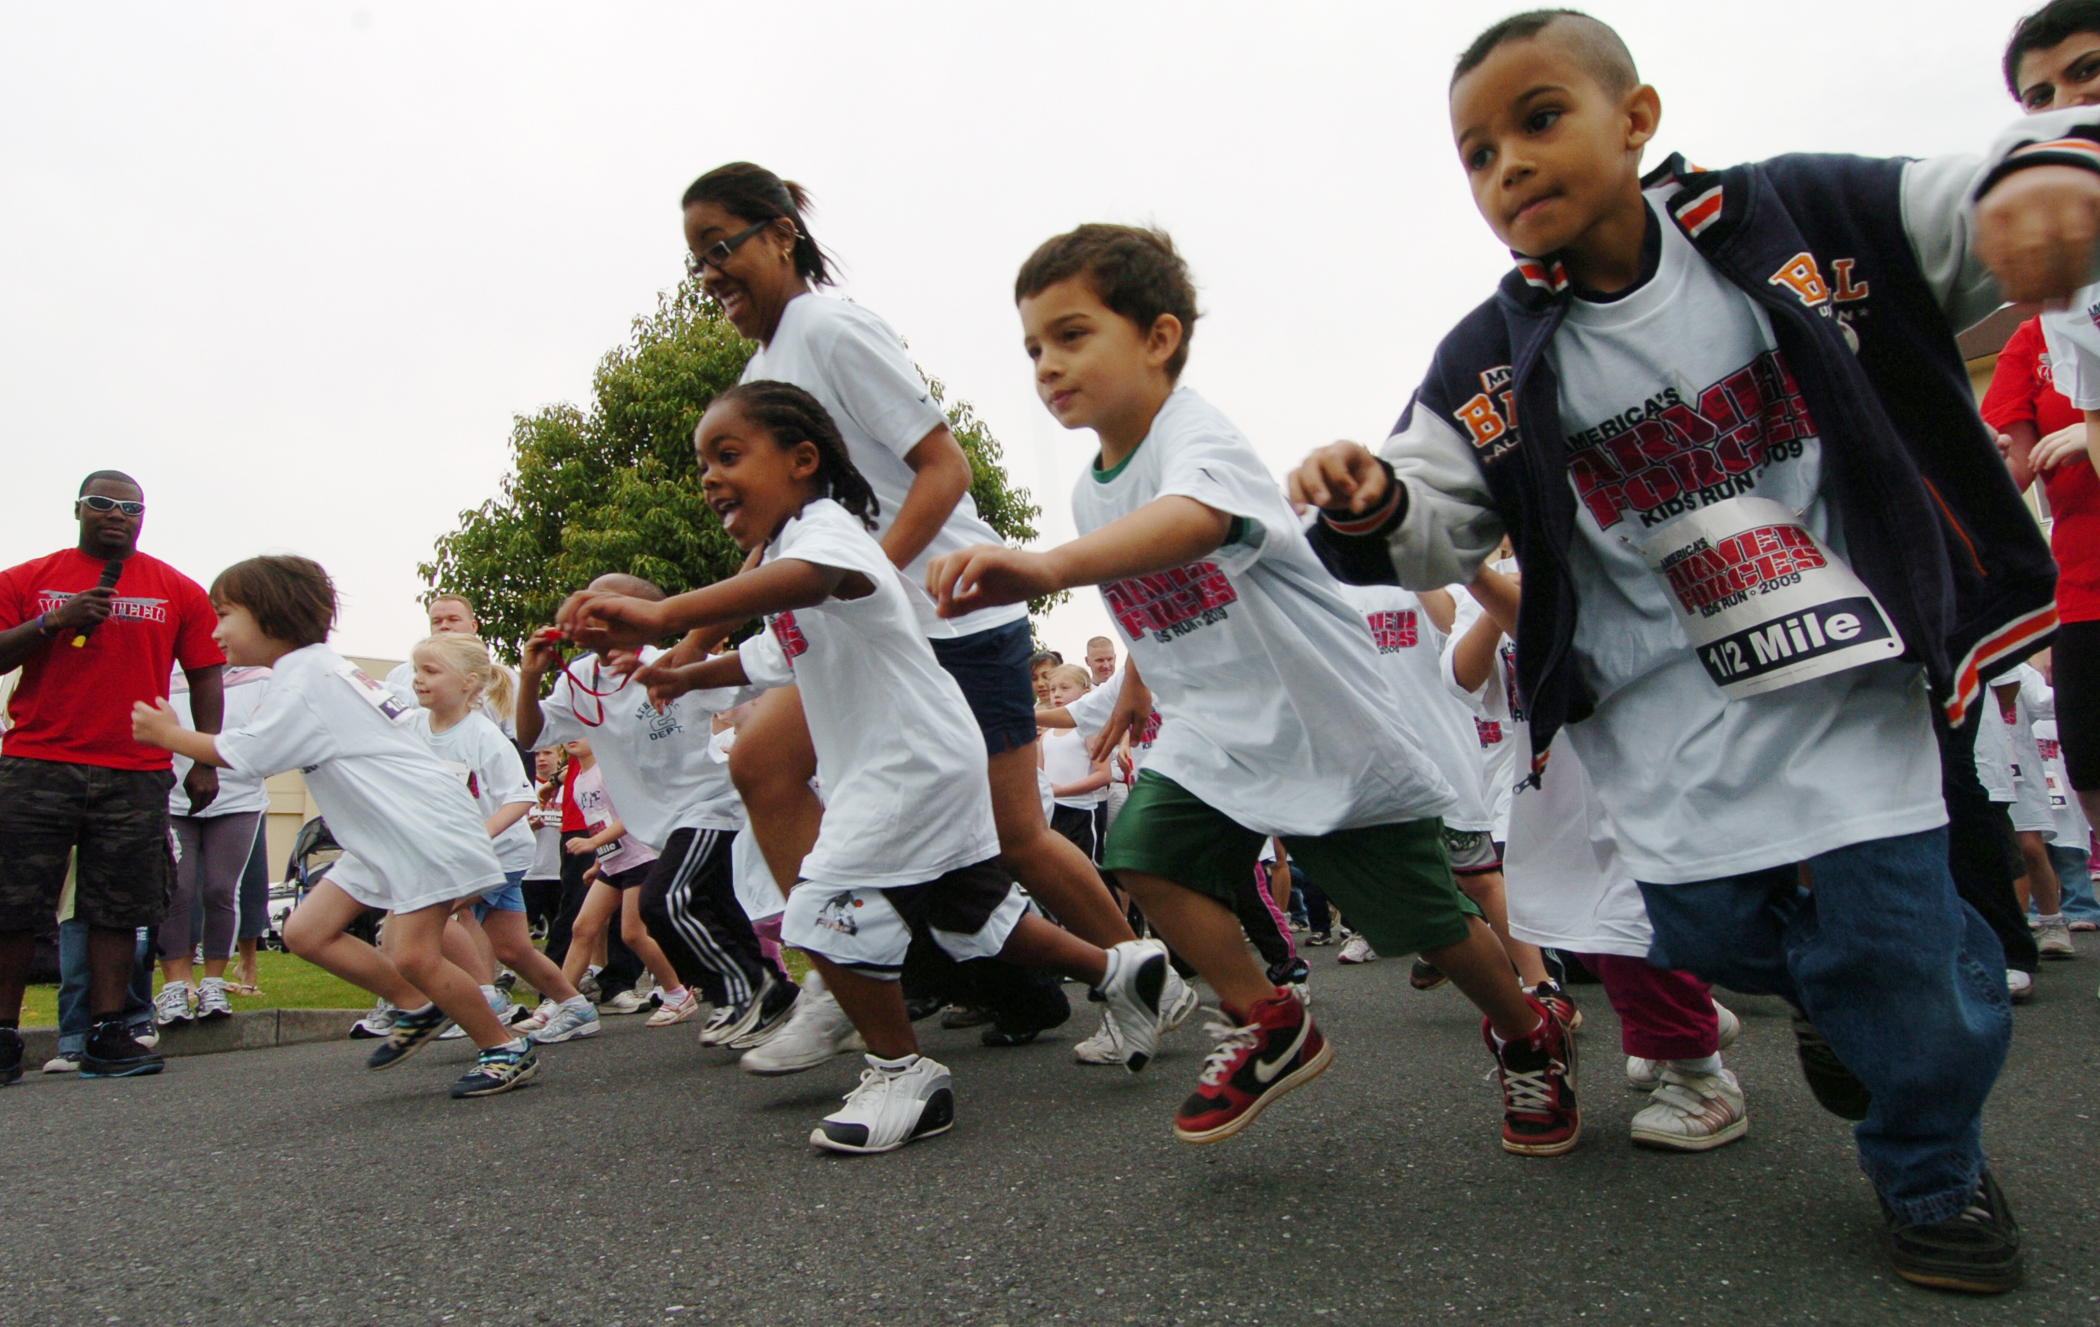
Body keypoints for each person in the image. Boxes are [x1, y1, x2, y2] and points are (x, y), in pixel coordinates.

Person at [1284, 9, 2099, 1291]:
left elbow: (1980, 194)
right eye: (1477, 153)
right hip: (1660, 718)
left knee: (1906, 968)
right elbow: (1429, 512)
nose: (1509, 166)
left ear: (1639, 117)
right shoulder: (1489, 355)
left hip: (1848, 681)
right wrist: (1369, 500)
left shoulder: (1800, 216)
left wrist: (2047, 177)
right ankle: (1856, 1000)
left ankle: (1930, 1167)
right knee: (1703, 932)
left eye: (1539, 120)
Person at [927, 224, 1574, 1152]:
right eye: (1033, 346)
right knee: (1144, 849)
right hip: (1218, 732)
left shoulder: (1198, 435)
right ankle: (1269, 1018)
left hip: (1326, 731)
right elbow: (1148, 589)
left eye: (1072, 335)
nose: (1047, 364)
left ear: (1157, 337)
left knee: (1429, 921)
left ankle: (1527, 1033)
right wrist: (1142, 680)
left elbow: (1195, 524)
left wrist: (1049, 567)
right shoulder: (1091, 491)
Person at [561, 380, 1172, 1153]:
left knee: (820, 907)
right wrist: (687, 675)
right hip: (912, 755)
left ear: (803, 459)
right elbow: (778, 647)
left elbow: (813, 583)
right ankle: (1119, 970)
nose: (710, 477)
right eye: (702, 464)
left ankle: (903, 1074)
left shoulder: (828, 531)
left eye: (728, 455)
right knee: (971, 911)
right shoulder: (793, 551)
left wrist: (664, 613)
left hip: (905, 759)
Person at [674, 163, 1157, 987]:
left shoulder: (830, 330)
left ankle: (1145, 973)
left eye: (720, 246)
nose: (710, 273)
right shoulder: (758, 381)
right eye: (697, 261)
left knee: (1014, 835)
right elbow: (768, 541)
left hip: (954, 612)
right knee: (762, 763)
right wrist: (686, 649)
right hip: (867, 633)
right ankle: (853, 976)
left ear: (783, 233)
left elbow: (944, 468)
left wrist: (864, 581)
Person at [133, 555, 538, 1098]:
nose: (216, 629)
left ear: (270, 616)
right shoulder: (312, 671)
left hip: (421, 828)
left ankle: (504, 1046)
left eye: (225, 613)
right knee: (305, 932)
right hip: (383, 833)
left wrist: (167, 734)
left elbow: (251, 755)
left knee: (414, 953)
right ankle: (417, 1005)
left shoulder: (309, 677)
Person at [0, 471, 224, 1083]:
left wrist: (204, 757)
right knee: (13, 906)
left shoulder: (176, 588)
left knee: (117, 907)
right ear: (78, 508)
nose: (117, 514)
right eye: (103, 503)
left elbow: (205, 672)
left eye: (132, 507)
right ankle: (3, 1035)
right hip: (36, 762)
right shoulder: (27, 580)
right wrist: (53, 622)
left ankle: (107, 1033)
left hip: (135, 769)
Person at [519, 580, 793, 1048]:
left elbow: (761, 676)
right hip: (657, 825)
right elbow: (531, 734)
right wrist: (529, 676)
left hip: (711, 807)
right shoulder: (578, 680)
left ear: (642, 618)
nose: (591, 621)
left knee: (662, 901)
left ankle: (749, 993)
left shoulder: (675, 664)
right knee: (720, 912)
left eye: (607, 611)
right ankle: (775, 997)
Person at [402, 633, 598, 1041]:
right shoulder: (414, 728)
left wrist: (476, 836)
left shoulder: (484, 736)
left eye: (430, 671)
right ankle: (575, 1007)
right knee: (513, 950)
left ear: (469, 682)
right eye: (415, 669)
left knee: (428, 911)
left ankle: (483, 997)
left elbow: (520, 798)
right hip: (460, 856)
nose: (418, 679)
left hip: (498, 855)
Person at [154, 663, 273, 1026]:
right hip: (173, 800)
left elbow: (265, 741)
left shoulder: (262, 677)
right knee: (178, 889)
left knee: (222, 889)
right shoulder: (166, 671)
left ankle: (213, 984)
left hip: (237, 800)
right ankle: (175, 987)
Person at [382, 595, 517, 738]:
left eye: (453, 619)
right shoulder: (399, 675)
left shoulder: (503, 677)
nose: (444, 625)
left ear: (473, 626)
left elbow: (517, 738)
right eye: (437, 621)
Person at [1038, 664, 1110, 862]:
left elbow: (1104, 774)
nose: (1057, 694)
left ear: (1086, 693)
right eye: (1053, 689)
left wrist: (1062, 790)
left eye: (1065, 688)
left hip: (1081, 812)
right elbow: (1039, 775)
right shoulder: (1046, 735)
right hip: (1052, 812)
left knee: (1088, 867)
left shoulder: (1088, 730)